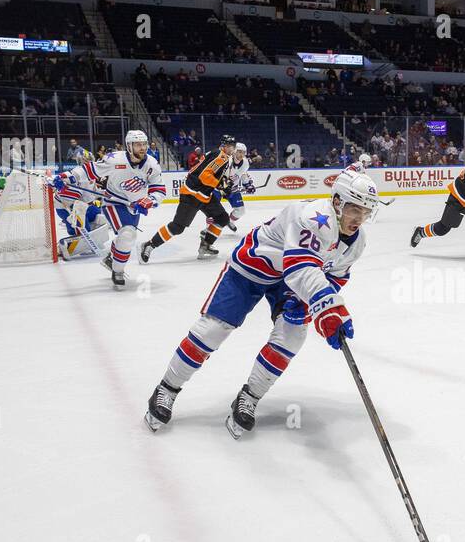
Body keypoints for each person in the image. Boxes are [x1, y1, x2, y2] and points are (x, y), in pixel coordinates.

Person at [144, 171, 380, 438]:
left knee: (292, 336)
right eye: (354, 209)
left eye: (366, 212)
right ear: (337, 202)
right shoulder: (313, 217)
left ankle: (250, 396)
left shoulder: (357, 242)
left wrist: (310, 304)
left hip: (292, 280)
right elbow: (300, 267)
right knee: (212, 330)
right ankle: (167, 389)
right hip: (253, 267)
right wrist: (328, 306)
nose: (359, 219)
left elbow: (335, 276)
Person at [56, 129, 165, 286]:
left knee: (126, 236)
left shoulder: (152, 164)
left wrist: (150, 201)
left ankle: (111, 257)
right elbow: (89, 170)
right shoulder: (115, 160)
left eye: (144, 144)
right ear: (128, 146)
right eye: (138, 145)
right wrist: (65, 177)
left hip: (134, 206)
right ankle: (117, 270)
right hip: (114, 202)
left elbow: (159, 189)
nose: (142, 148)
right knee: (128, 235)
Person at [141, 137, 244, 262]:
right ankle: (150, 245)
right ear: (224, 146)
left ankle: (205, 245)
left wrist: (223, 183)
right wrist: (220, 185)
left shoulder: (219, 154)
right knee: (178, 227)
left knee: (222, 218)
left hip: (204, 195)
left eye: (234, 147)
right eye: (231, 146)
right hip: (192, 194)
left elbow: (210, 173)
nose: (233, 149)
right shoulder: (221, 156)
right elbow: (204, 176)